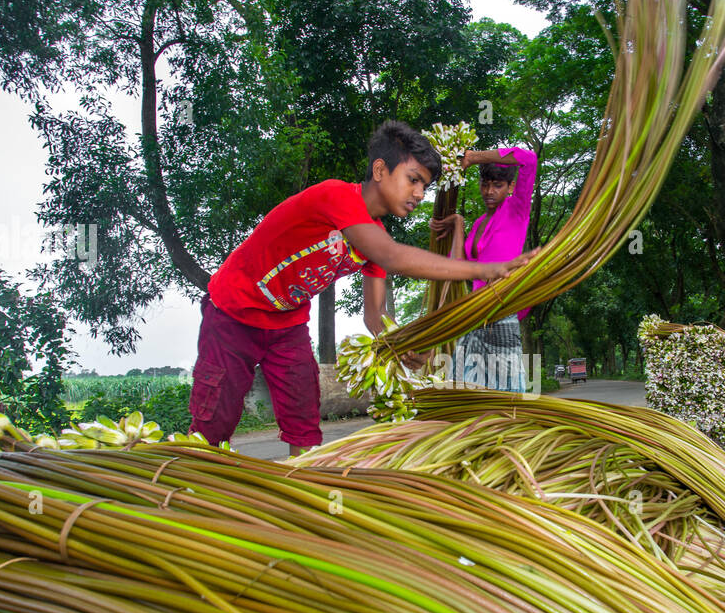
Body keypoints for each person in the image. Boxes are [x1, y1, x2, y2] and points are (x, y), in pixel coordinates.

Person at [190, 120, 531, 454]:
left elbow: (375, 315)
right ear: (380, 170)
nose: (418, 194)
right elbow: (394, 256)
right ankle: (189, 485)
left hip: (287, 324)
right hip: (233, 312)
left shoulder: (375, 238)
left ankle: (305, 489)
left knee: (304, 418)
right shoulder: (336, 196)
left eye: (424, 186)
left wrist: (404, 345)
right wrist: (489, 268)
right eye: (413, 180)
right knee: (214, 418)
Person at [429, 146, 537, 392]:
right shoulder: (478, 223)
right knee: (464, 392)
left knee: (505, 398)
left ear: (510, 187)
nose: (489, 191)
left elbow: (529, 159)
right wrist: (458, 225)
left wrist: (473, 158)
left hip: (502, 311)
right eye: (485, 184)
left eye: (497, 185)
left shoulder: (517, 210)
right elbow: (455, 268)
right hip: (475, 315)